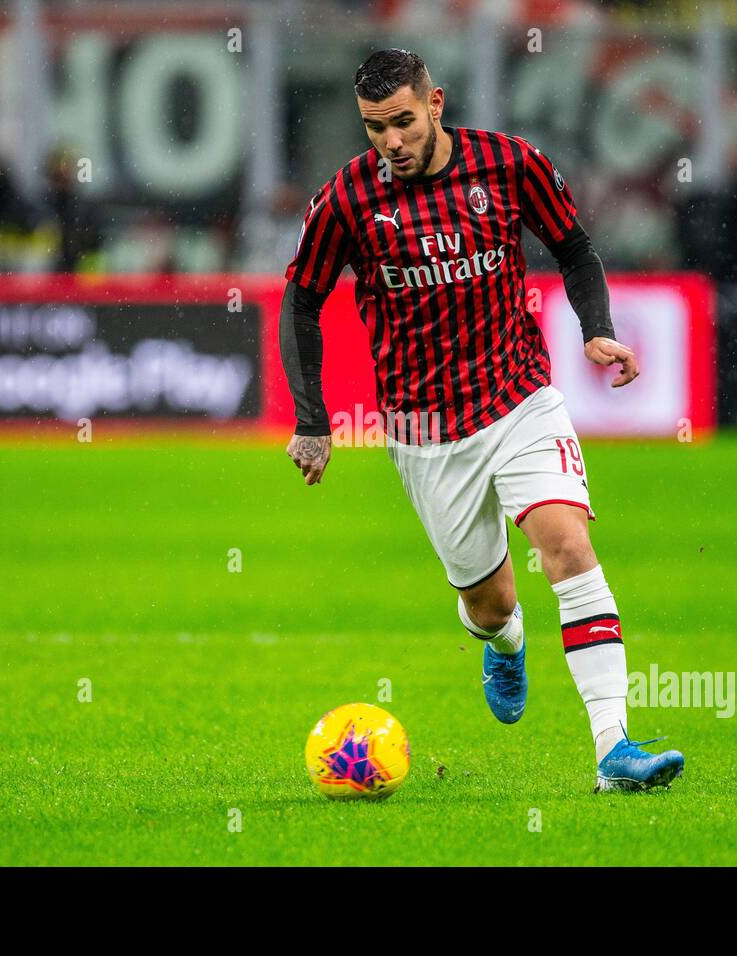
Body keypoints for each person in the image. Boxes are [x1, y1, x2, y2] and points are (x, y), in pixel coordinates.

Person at [279, 48, 684, 793]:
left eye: (403, 121)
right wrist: (314, 421)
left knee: (566, 544)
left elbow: (574, 247)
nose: (391, 143)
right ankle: (505, 641)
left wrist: (595, 326)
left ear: (437, 104)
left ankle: (614, 749)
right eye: (375, 129)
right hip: (425, 430)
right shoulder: (347, 200)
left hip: (520, 396)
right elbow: (301, 300)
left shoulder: (510, 164)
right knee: (490, 601)